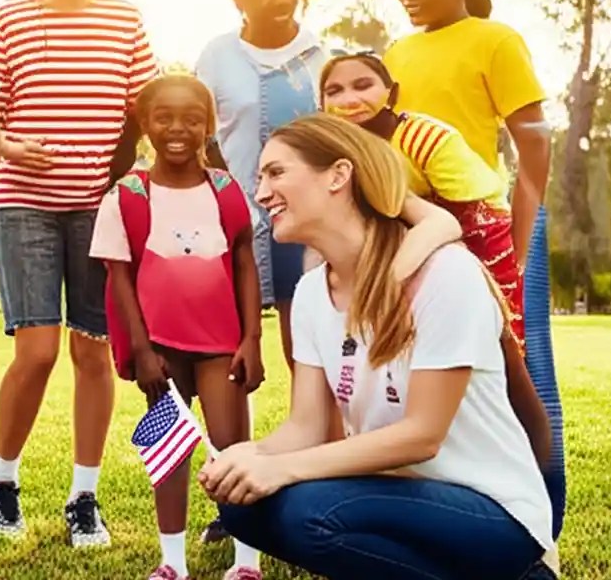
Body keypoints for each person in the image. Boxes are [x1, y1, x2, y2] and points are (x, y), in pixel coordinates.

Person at [199, 114, 555, 580]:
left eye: (276, 172)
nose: (261, 193)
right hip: (396, 496)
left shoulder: (444, 273)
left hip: (492, 511)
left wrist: (284, 470)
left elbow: (423, 435)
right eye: (260, 178)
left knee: (310, 513)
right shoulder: (310, 294)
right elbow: (305, 428)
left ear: (339, 175)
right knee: (243, 508)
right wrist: (252, 456)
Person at [0, 0, 159, 548]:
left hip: (98, 207)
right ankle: (2, 483)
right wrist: (8, 145)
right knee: (36, 351)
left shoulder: (125, 21)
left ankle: (84, 497)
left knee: (92, 352)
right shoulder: (9, 20)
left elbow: (148, 106)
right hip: (22, 200)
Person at [385, 0, 566, 553]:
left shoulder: (495, 39)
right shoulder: (398, 53)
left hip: (485, 228)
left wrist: (518, 239)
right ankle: (459, 513)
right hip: (415, 227)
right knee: (439, 375)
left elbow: (533, 145)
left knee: (523, 374)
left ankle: (545, 523)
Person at [90, 75, 264, 580]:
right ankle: (172, 562)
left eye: (192, 118)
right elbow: (120, 279)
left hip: (221, 345)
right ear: (145, 124)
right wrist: (141, 351)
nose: (177, 128)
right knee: (169, 451)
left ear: (208, 125)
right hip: (161, 349)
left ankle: (247, 558)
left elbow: (245, 261)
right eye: (163, 117)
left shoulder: (227, 191)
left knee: (232, 445)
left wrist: (251, 338)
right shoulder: (126, 195)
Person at [319, 52, 525, 347]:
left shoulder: (425, 138)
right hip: (405, 238)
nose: (349, 100)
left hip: (477, 234)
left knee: (493, 334)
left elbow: (471, 217)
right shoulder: (338, 154)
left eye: (363, 86)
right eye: (334, 91)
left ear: (393, 94)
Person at [195, 0, 325, 372]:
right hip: (235, 225)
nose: (281, 1)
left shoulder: (320, 59)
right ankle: (231, 445)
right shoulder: (216, 58)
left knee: (305, 352)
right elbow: (201, 140)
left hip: (304, 227)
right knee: (230, 359)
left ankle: (317, 441)